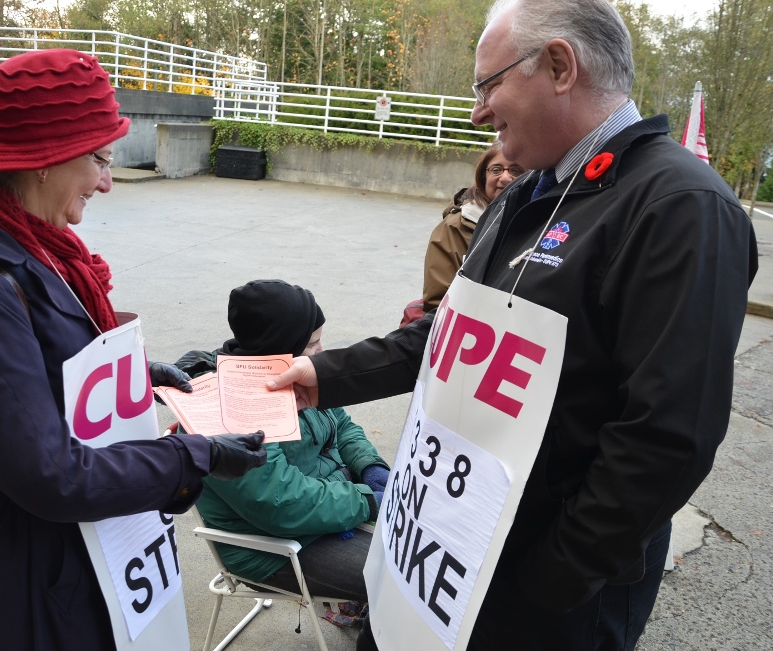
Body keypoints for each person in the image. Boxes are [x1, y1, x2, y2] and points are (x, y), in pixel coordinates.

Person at [270, 1, 759, 649]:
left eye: (488, 84)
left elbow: (668, 435)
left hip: (542, 590)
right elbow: (451, 334)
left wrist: (549, 581)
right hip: (447, 545)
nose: (478, 111)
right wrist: (322, 375)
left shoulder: (680, 206)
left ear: (559, 65)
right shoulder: (529, 193)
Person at [0, 49, 266, 651]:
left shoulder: (37, 246)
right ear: (43, 159)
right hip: (20, 583)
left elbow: (41, 373)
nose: (107, 179)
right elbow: (52, 476)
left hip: (69, 560)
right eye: (98, 158)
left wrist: (135, 377)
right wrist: (192, 457)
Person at [174, 279, 390, 606]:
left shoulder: (285, 372)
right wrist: (366, 500)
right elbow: (280, 503)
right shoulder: (226, 413)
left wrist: (370, 467)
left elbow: (341, 423)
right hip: (272, 546)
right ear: (281, 346)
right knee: (402, 578)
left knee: (427, 541)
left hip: (324, 507)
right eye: (312, 344)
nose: (321, 353)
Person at [421, 142, 526, 313]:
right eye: (496, 169)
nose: (506, 178)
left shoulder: (544, 223)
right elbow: (438, 301)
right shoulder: (456, 227)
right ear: (483, 176)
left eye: (515, 170)